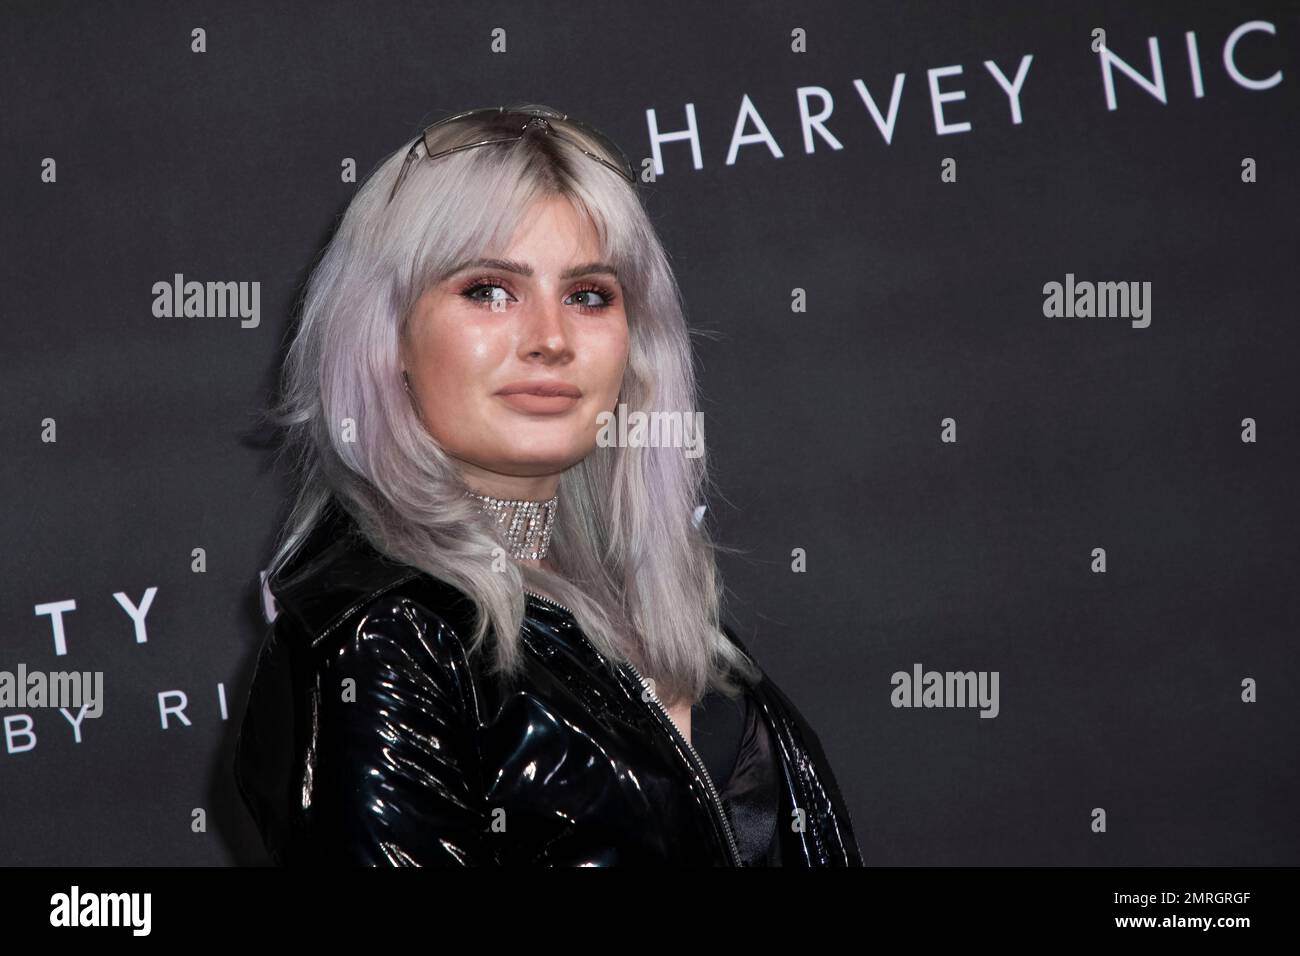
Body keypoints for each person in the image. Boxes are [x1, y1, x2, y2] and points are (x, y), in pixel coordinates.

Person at [233, 104, 861, 866]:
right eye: (490, 290)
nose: (550, 340)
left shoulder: (640, 607)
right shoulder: (388, 636)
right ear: (388, 335)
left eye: (589, 294)